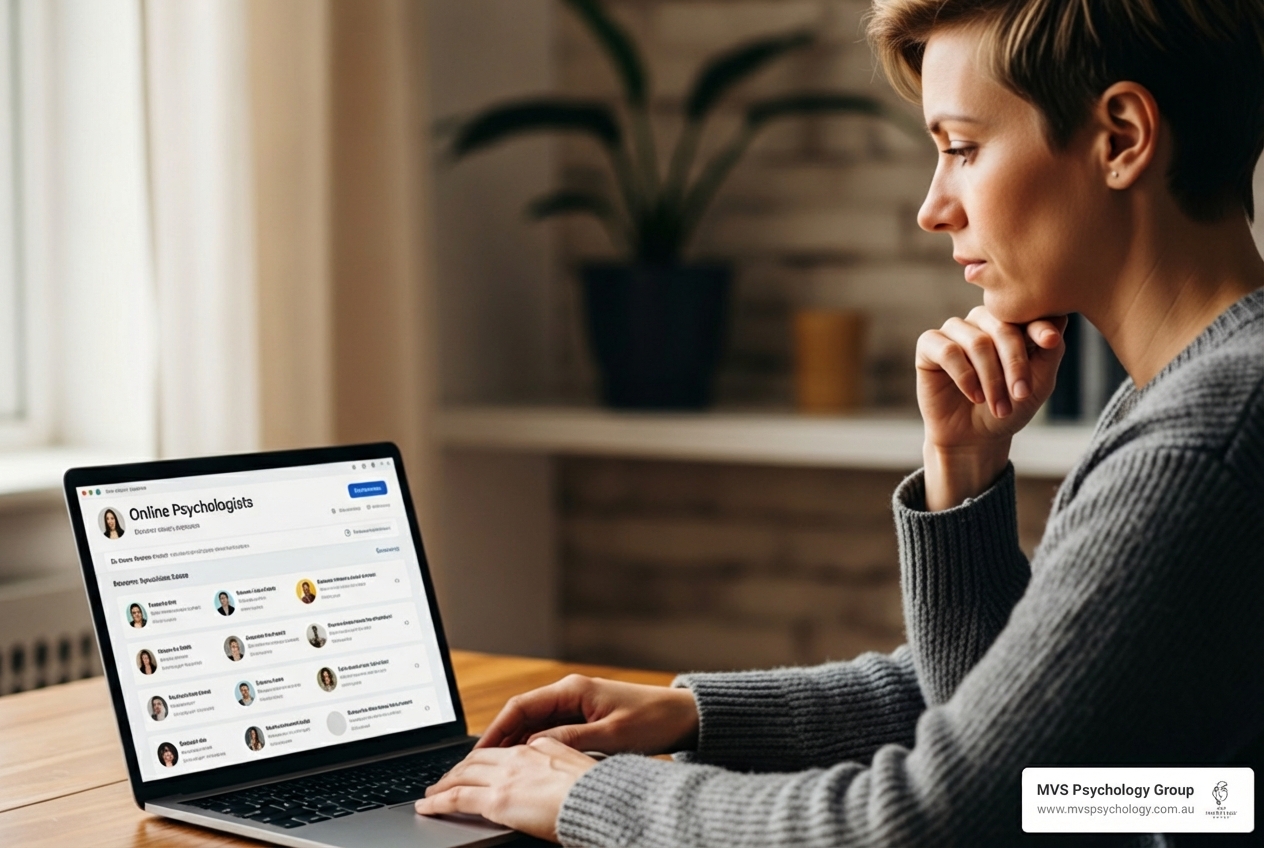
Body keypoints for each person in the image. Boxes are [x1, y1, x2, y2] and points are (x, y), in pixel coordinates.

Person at [414, 2, 1264, 845]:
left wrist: (592, 798)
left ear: (1120, 138)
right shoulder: (1202, 390)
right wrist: (692, 713)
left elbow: (926, 821)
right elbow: (1046, 747)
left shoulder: (1206, 437)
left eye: (961, 148)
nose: (934, 208)